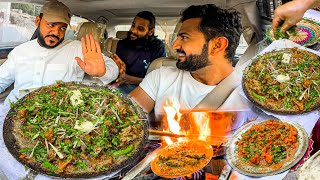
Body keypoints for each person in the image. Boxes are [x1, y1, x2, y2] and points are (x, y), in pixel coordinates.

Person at [129, 4, 245, 124]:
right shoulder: (161, 77)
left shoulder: (249, 93)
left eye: (184, 37)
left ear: (217, 45)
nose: (175, 46)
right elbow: (123, 117)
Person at [0, 1, 119, 105]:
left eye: (62, 28)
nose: (56, 33)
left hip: (57, 115)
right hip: (13, 109)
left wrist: (102, 72)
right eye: (51, 25)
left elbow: (113, 70)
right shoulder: (19, 51)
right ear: (37, 21)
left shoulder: (79, 49)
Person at [111, 11, 166, 94]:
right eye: (133, 25)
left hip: (143, 87)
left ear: (150, 32)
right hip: (118, 83)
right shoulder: (122, 44)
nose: (133, 30)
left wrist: (128, 79)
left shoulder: (157, 47)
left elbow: (157, 81)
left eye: (140, 29)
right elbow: (117, 72)